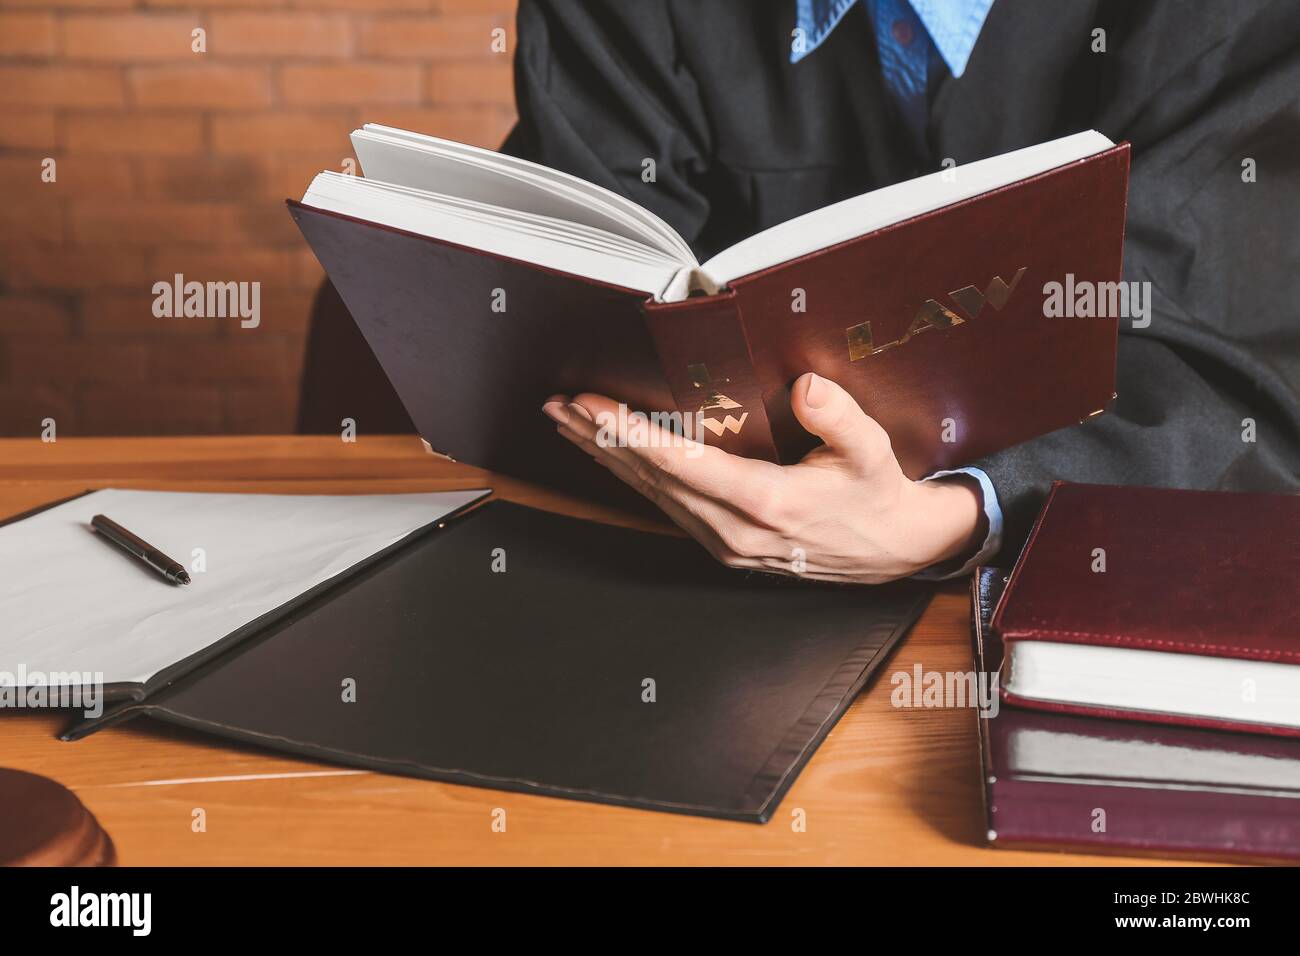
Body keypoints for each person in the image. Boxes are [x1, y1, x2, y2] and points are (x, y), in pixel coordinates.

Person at [300, 0, 1300, 581]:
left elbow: (1241, 365)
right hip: (676, 568)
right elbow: (587, 280)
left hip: (1086, 575)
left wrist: (949, 515)